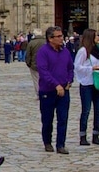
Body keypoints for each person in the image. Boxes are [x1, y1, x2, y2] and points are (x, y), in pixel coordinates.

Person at [35, 26, 73, 154]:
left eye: (62, 36)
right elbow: (43, 71)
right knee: (47, 119)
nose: (62, 38)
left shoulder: (65, 51)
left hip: (64, 90)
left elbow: (70, 68)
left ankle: (61, 144)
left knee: (63, 118)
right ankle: (47, 142)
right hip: (48, 91)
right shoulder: (43, 52)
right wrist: (56, 85)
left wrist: (69, 80)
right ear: (50, 39)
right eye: (59, 36)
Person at [74, 29, 99, 146]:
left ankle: (96, 134)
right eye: (95, 36)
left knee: (98, 110)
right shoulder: (83, 51)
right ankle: (83, 136)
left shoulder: (97, 49)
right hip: (87, 83)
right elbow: (77, 67)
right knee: (86, 110)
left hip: (98, 82)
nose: (98, 37)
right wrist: (91, 69)